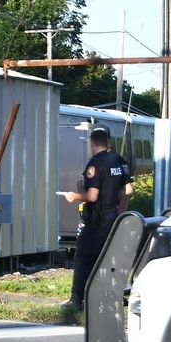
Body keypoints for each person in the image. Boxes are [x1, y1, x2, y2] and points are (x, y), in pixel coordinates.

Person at [61, 126, 131, 310]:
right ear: (108, 142)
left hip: (97, 218)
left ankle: (77, 300)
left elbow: (92, 196)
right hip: (113, 217)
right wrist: (121, 215)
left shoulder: (96, 163)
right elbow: (128, 191)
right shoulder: (120, 161)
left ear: (92, 144)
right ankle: (108, 296)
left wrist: (74, 196)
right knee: (108, 258)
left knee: (83, 256)